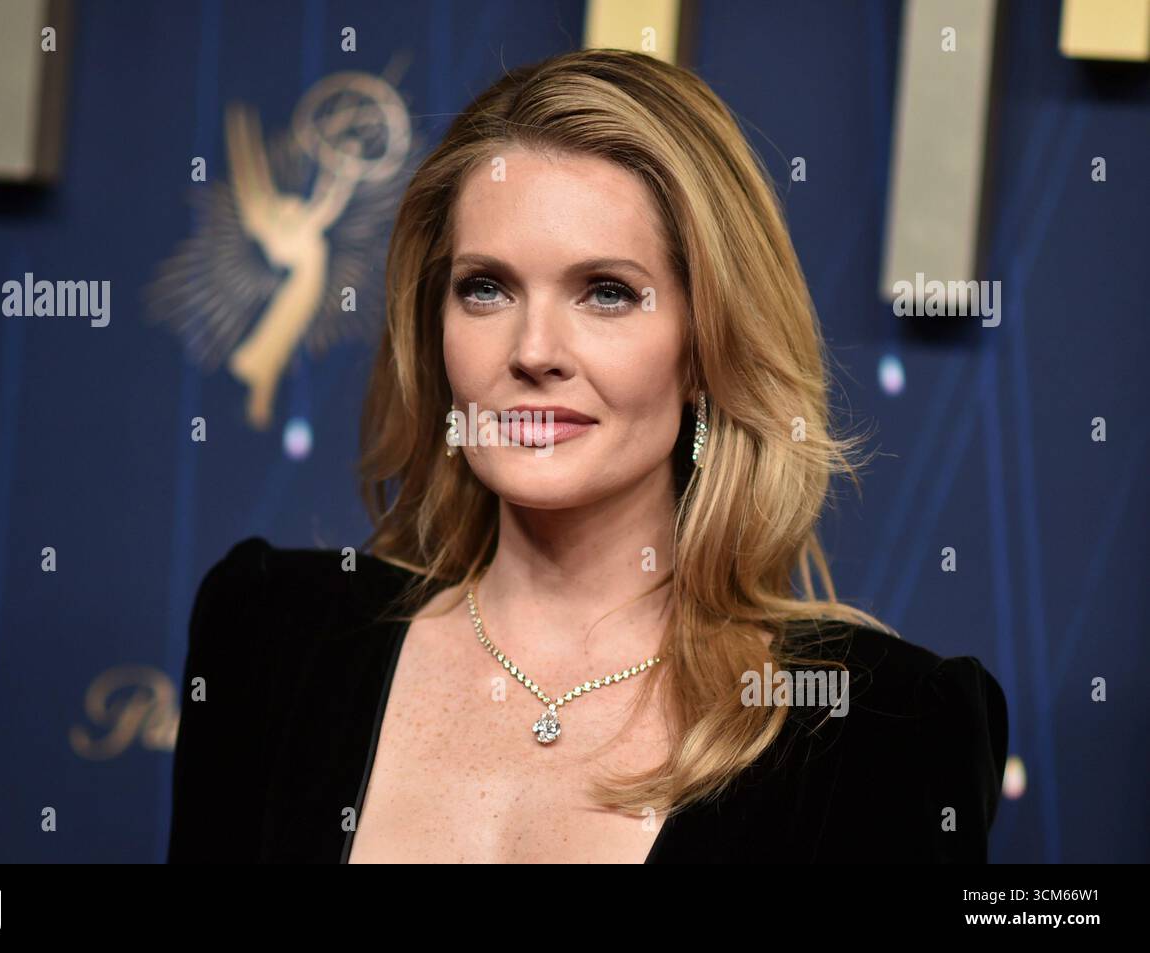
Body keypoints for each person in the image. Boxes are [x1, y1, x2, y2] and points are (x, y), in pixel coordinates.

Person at [167, 48, 1008, 864]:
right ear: (436, 326)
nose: (534, 350)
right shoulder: (271, 637)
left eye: (606, 292)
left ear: (707, 347)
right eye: (485, 287)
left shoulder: (882, 727)